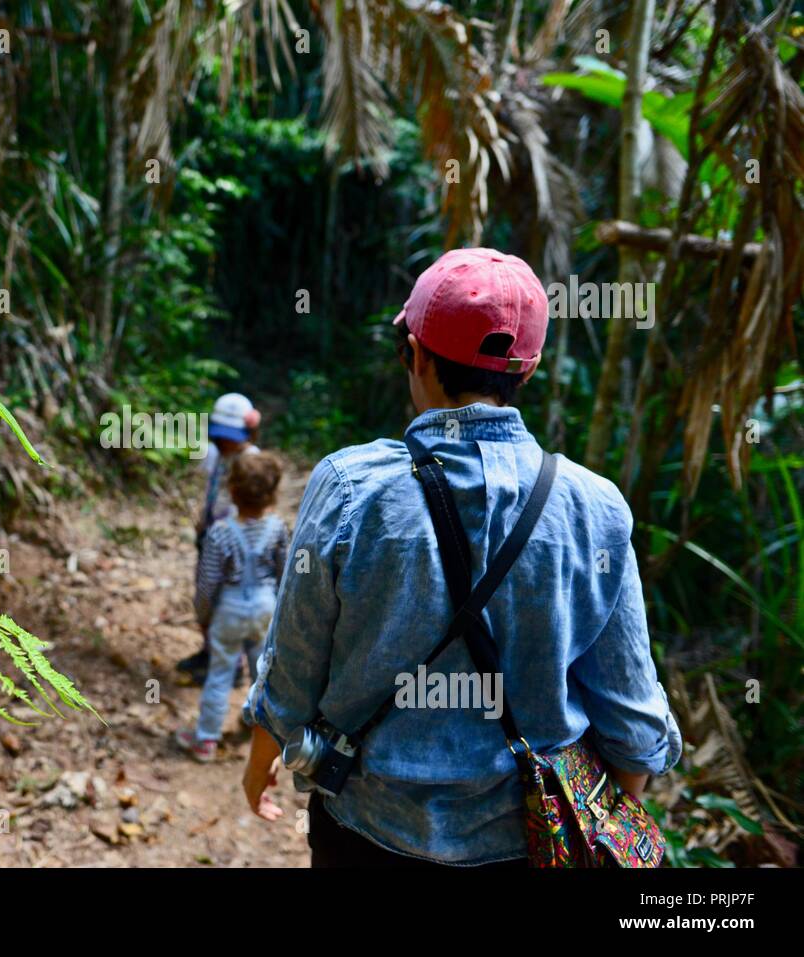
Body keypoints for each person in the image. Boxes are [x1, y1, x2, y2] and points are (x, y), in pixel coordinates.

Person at [241, 248, 682, 867]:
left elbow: (295, 661)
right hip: (524, 841)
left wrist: (263, 758)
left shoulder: (348, 487)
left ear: (416, 354)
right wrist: (596, 814)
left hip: (367, 830)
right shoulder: (595, 507)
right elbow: (630, 707)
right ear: (525, 373)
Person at [176, 452, 289, 762]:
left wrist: (204, 615)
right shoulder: (277, 529)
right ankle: (259, 730)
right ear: (272, 493)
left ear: (233, 490)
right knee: (262, 675)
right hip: (265, 609)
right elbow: (284, 572)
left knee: (220, 674)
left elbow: (207, 582)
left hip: (230, 609)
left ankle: (206, 740)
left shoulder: (220, 532)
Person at [176, 392, 261, 686]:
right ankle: (209, 650)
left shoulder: (250, 461)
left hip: (235, 544)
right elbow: (210, 488)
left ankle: (232, 666)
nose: (226, 442)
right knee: (204, 598)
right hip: (210, 537)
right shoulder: (214, 455)